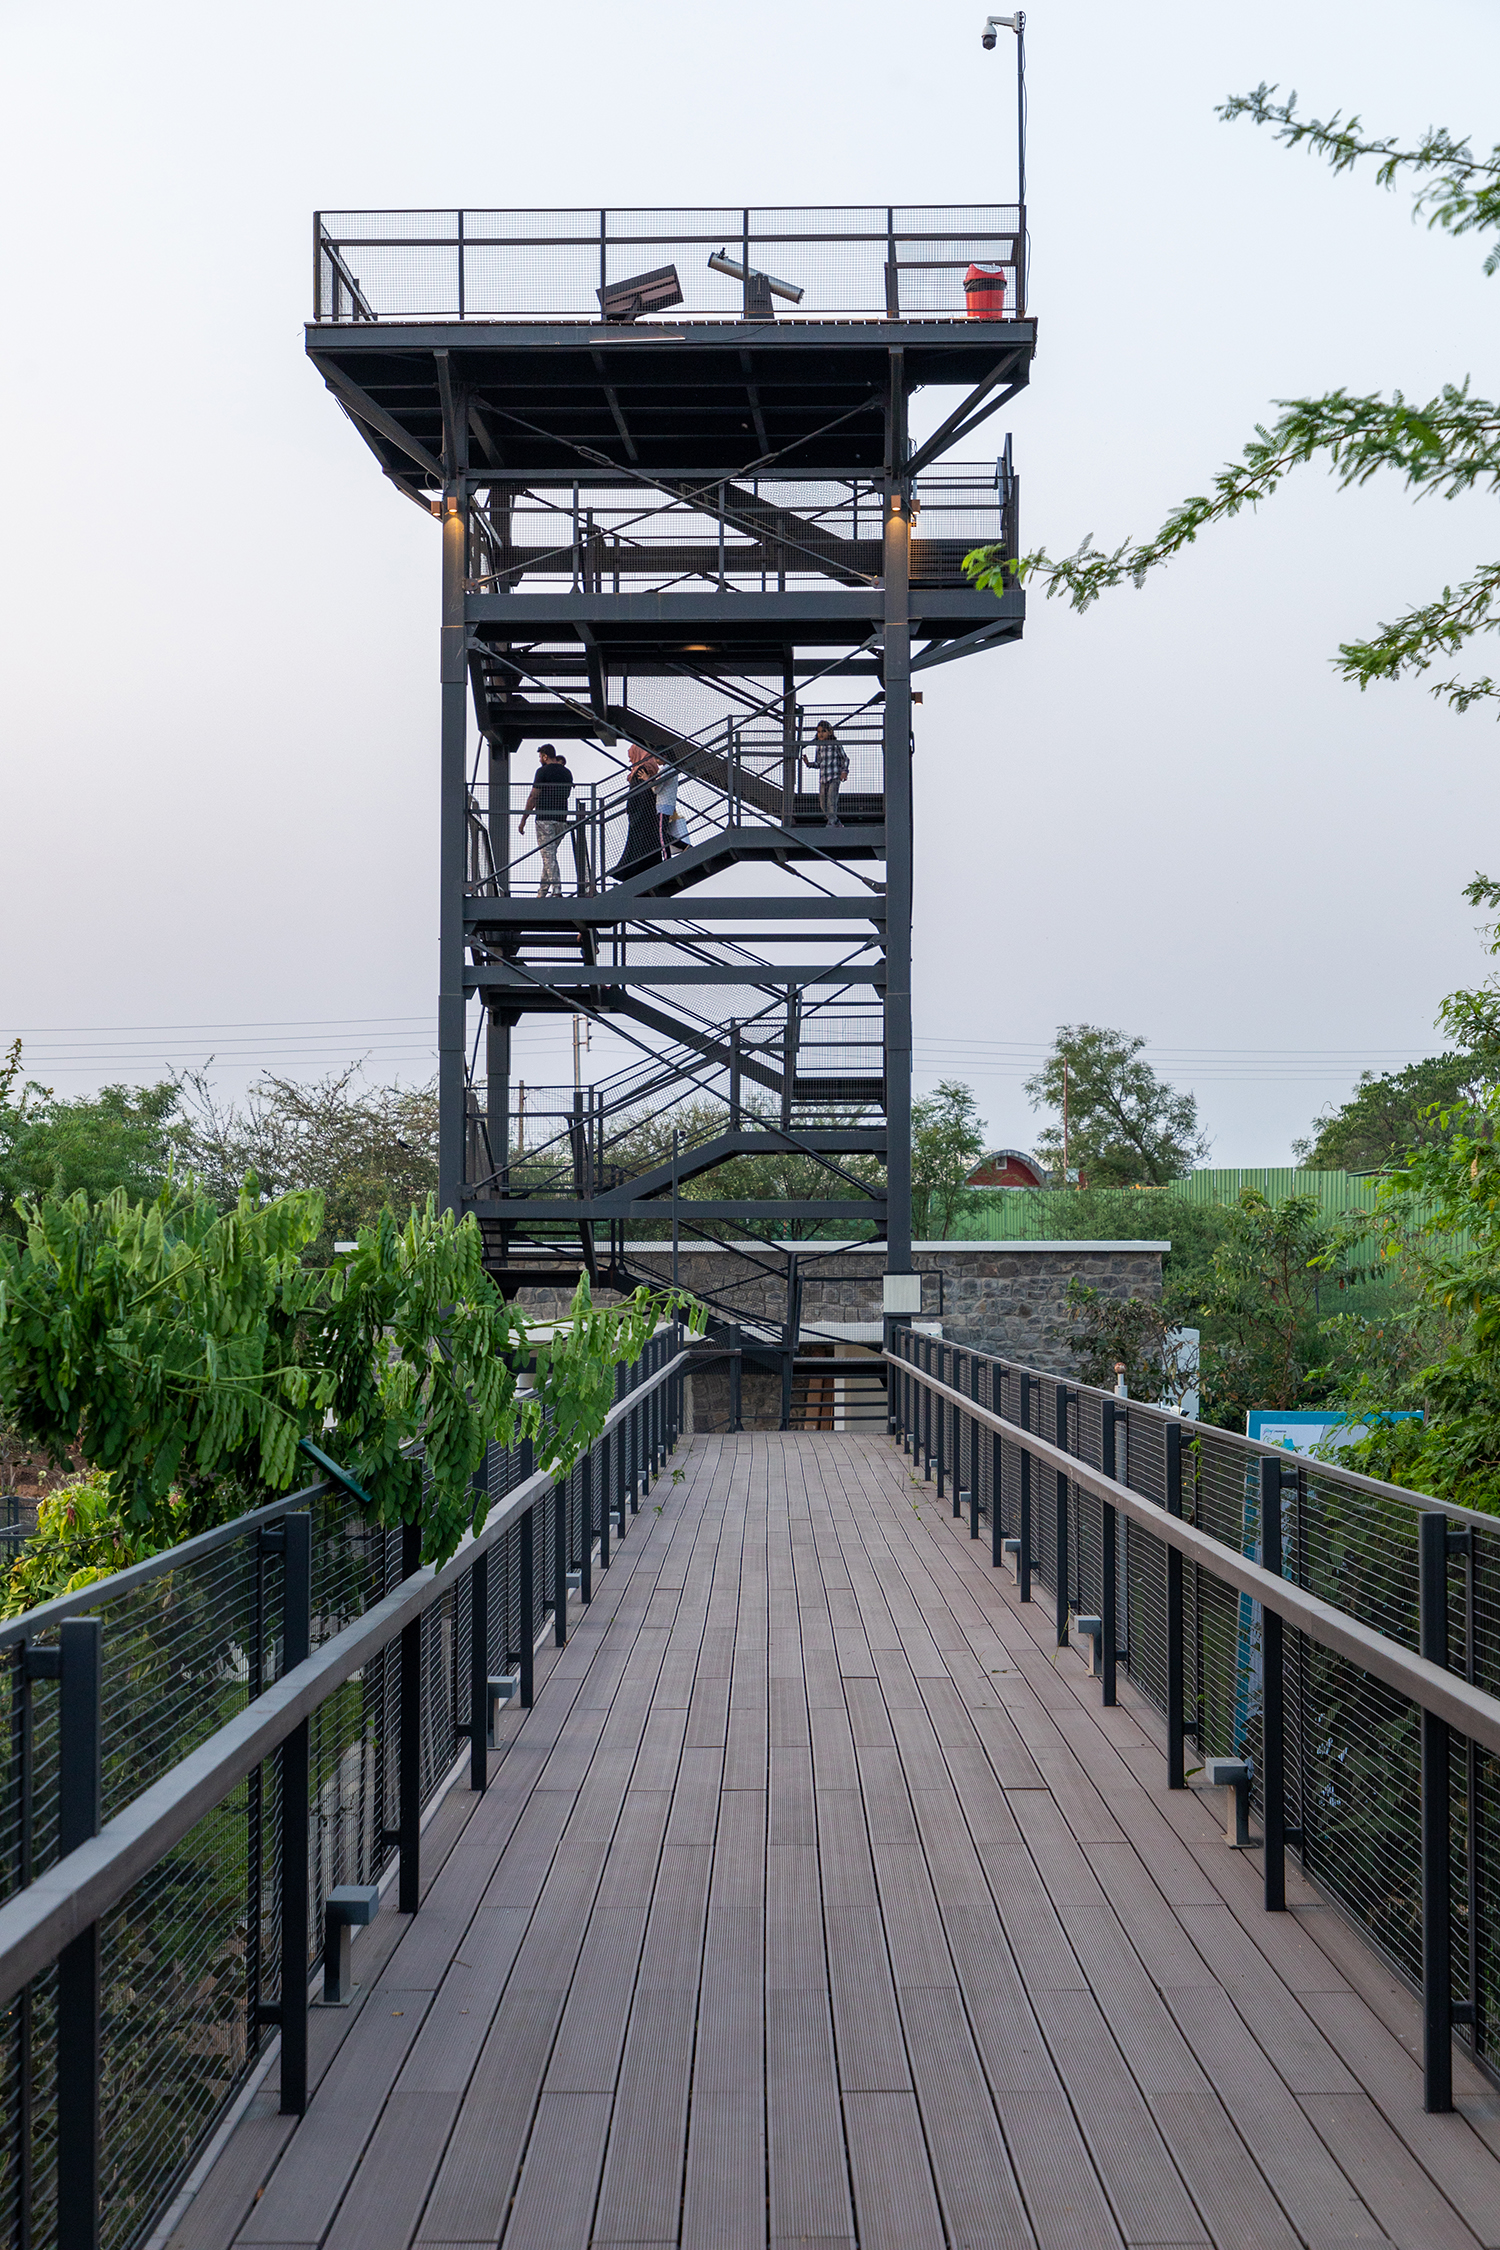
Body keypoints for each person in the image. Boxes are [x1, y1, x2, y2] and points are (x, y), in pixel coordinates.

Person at [518, 743, 574, 898]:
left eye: (540, 757)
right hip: (562, 820)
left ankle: (556, 891)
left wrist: (523, 819)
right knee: (549, 856)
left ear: (544, 756)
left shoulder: (542, 771)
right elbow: (567, 794)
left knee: (548, 857)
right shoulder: (567, 773)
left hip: (544, 819)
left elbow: (534, 796)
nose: (539, 760)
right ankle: (542, 892)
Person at [609, 747, 664, 880]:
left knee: (640, 841)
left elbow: (640, 793)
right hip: (646, 811)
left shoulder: (640, 770)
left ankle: (631, 870)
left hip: (642, 813)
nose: (630, 759)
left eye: (631, 755)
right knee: (650, 840)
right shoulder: (648, 770)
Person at [803, 719, 849, 827]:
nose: (821, 734)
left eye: (823, 731)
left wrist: (844, 771)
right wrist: (809, 764)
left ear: (829, 732)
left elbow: (845, 758)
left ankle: (832, 823)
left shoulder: (835, 744)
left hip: (834, 776)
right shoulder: (819, 746)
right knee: (823, 803)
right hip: (823, 778)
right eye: (819, 732)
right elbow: (819, 763)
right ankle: (836, 822)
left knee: (831, 801)